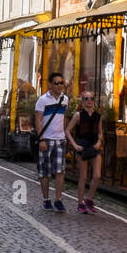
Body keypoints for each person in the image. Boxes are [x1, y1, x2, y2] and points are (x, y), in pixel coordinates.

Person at [34, 74, 70, 211]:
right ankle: (46, 199)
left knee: (60, 171)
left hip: (60, 140)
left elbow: (64, 118)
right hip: (46, 139)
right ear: (50, 84)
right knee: (45, 171)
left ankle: (58, 199)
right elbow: (38, 119)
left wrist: (64, 134)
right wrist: (41, 138)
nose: (60, 85)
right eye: (57, 83)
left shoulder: (65, 99)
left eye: (62, 83)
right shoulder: (42, 100)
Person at [67, 90, 103, 214]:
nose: (89, 101)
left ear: (94, 101)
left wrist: (99, 142)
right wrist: (75, 145)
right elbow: (67, 131)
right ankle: (80, 203)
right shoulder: (78, 115)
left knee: (97, 175)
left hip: (94, 147)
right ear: (82, 101)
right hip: (82, 147)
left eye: (91, 98)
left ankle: (89, 199)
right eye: (86, 99)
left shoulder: (98, 116)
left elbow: (100, 132)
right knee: (83, 176)